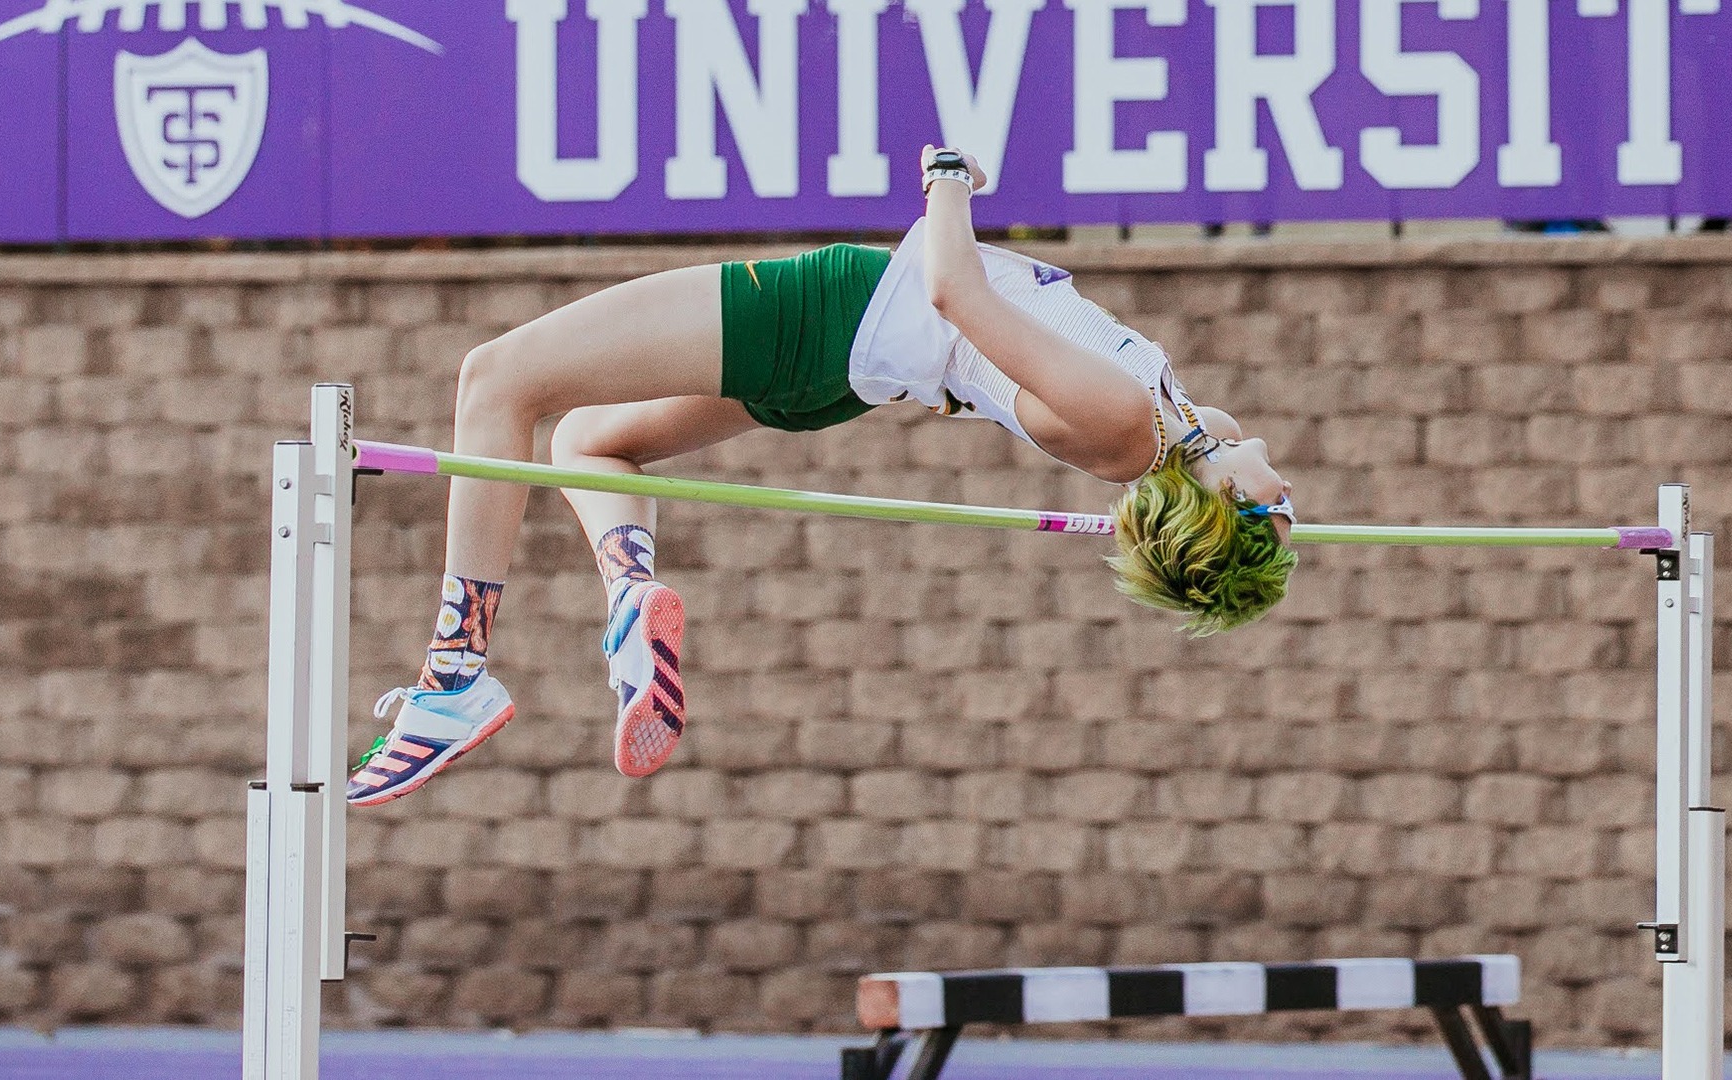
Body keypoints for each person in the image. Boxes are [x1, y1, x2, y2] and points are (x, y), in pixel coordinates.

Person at [346, 147, 1297, 806]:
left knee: (496, 378)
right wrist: (1215, 508)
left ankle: (453, 674)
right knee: (589, 442)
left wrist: (950, 179)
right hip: (843, 370)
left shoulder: (1126, 426)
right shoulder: (1178, 432)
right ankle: (632, 602)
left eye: (1282, 514)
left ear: (1232, 506)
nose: (1293, 494)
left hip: (829, 315)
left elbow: (953, 287)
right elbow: (1209, 449)